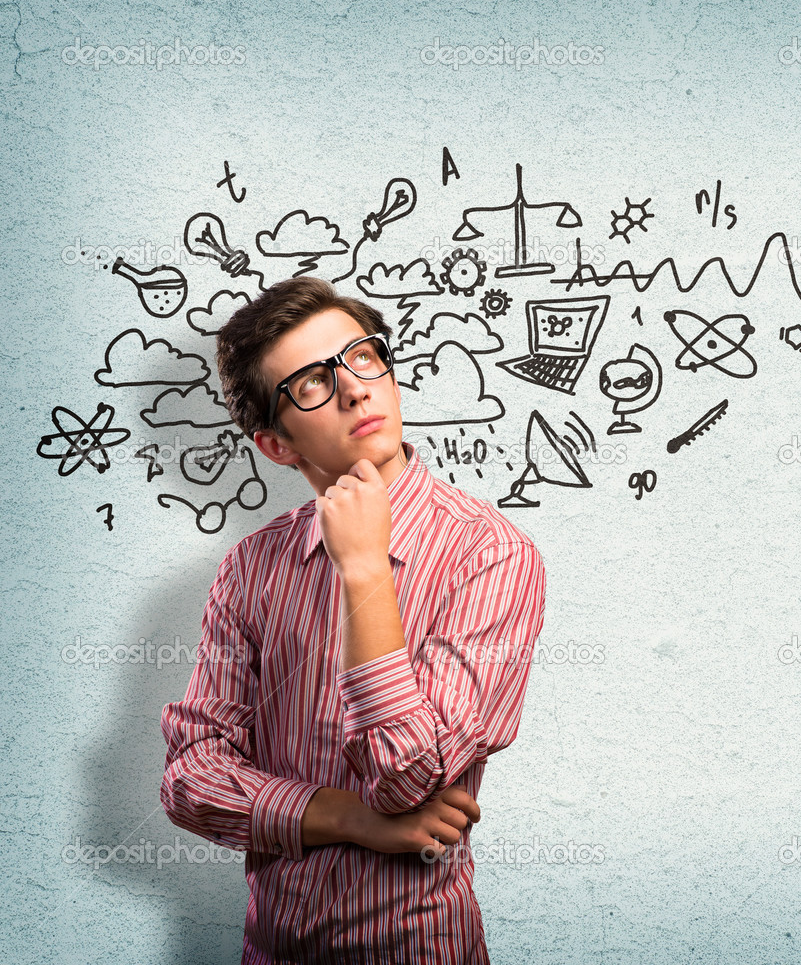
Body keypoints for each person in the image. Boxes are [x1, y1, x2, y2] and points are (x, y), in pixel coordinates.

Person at [159, 276, 546, 964]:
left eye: (361, 357)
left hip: (415, 950)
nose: (353, 389)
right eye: (310, 383)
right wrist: (349, 819)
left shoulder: (490, 555)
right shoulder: (250, 567)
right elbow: (193, 779)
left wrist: (365, 572)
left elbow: (408, 780)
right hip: (268, 951)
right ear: (277, 445)